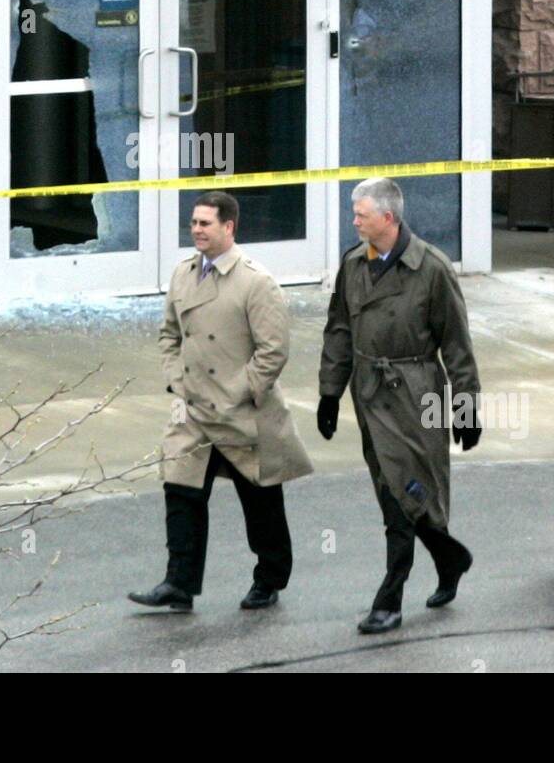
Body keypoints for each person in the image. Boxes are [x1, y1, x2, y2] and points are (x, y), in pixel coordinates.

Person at [129, 191, 313, 613]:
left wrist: (241, 391)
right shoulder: (182, 274)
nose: (196, 230)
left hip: (242, 412)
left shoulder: (255, 282)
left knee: (261, 500)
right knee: (181, 490)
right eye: (193, 222)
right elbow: (169, 335)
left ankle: (270, 578)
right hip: (192, 410)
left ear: (229, 227)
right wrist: (177, 381)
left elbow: (273, 351)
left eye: (205, 223)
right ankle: (179, 583)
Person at [317, 178, 480, 635]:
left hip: (418, 390)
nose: (354, 221)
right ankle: (449, 558)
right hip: (369, 391)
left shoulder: (431, 268)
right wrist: (330, 392)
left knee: (409, 489)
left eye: (361, 213)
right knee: (394, 490)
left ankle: (391, 597)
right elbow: (339, 331)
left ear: (388, 218)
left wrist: (465, 407)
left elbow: (457, 344)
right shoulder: (353, 264)